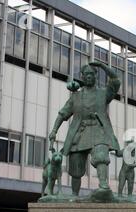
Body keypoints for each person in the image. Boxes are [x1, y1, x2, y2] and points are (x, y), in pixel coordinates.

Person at [48, 61, 120, 196]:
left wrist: (102, 66)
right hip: (79, 133)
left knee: (101, 156)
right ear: (82, 77)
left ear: (95, 76)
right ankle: (75, 195)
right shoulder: (76, 96)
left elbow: (116, 80)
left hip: (98, 129)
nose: (88, 77)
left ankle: (103, 186)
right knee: (76, 167)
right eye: (86, 74)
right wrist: (54, 131)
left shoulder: (104, 93)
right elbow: (62, 114)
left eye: (91, 74)